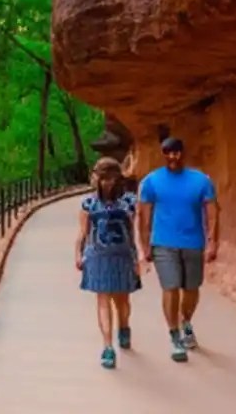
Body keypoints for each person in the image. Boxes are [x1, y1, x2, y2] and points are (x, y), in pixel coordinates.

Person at [137, 137, 220, 362]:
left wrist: (213, 242)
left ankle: (186, 322)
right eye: (168, 153)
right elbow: (144, 215)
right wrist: (144, 245)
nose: (173, 157)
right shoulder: (152, 181)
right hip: (163, 242)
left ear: (183, 153)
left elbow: (212, 212)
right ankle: (174, 335)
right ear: (163, 154)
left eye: (176, 153)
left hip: (193, 242)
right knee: (171, 287)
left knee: (191, 289)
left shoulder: (201, 180)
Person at [75, 157, 144, 369]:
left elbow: (135, 231)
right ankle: (107, 346)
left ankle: (124, 327)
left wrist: (139, 255)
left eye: (112, 178)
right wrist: (78, 253)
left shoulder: (129, 202)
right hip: (97, 255)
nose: (108, 183)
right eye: (104, 178)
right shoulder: (89, 203)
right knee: (103, 299)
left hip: (122, 255)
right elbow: (83, 232)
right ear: (97, 178)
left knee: (121, 301)